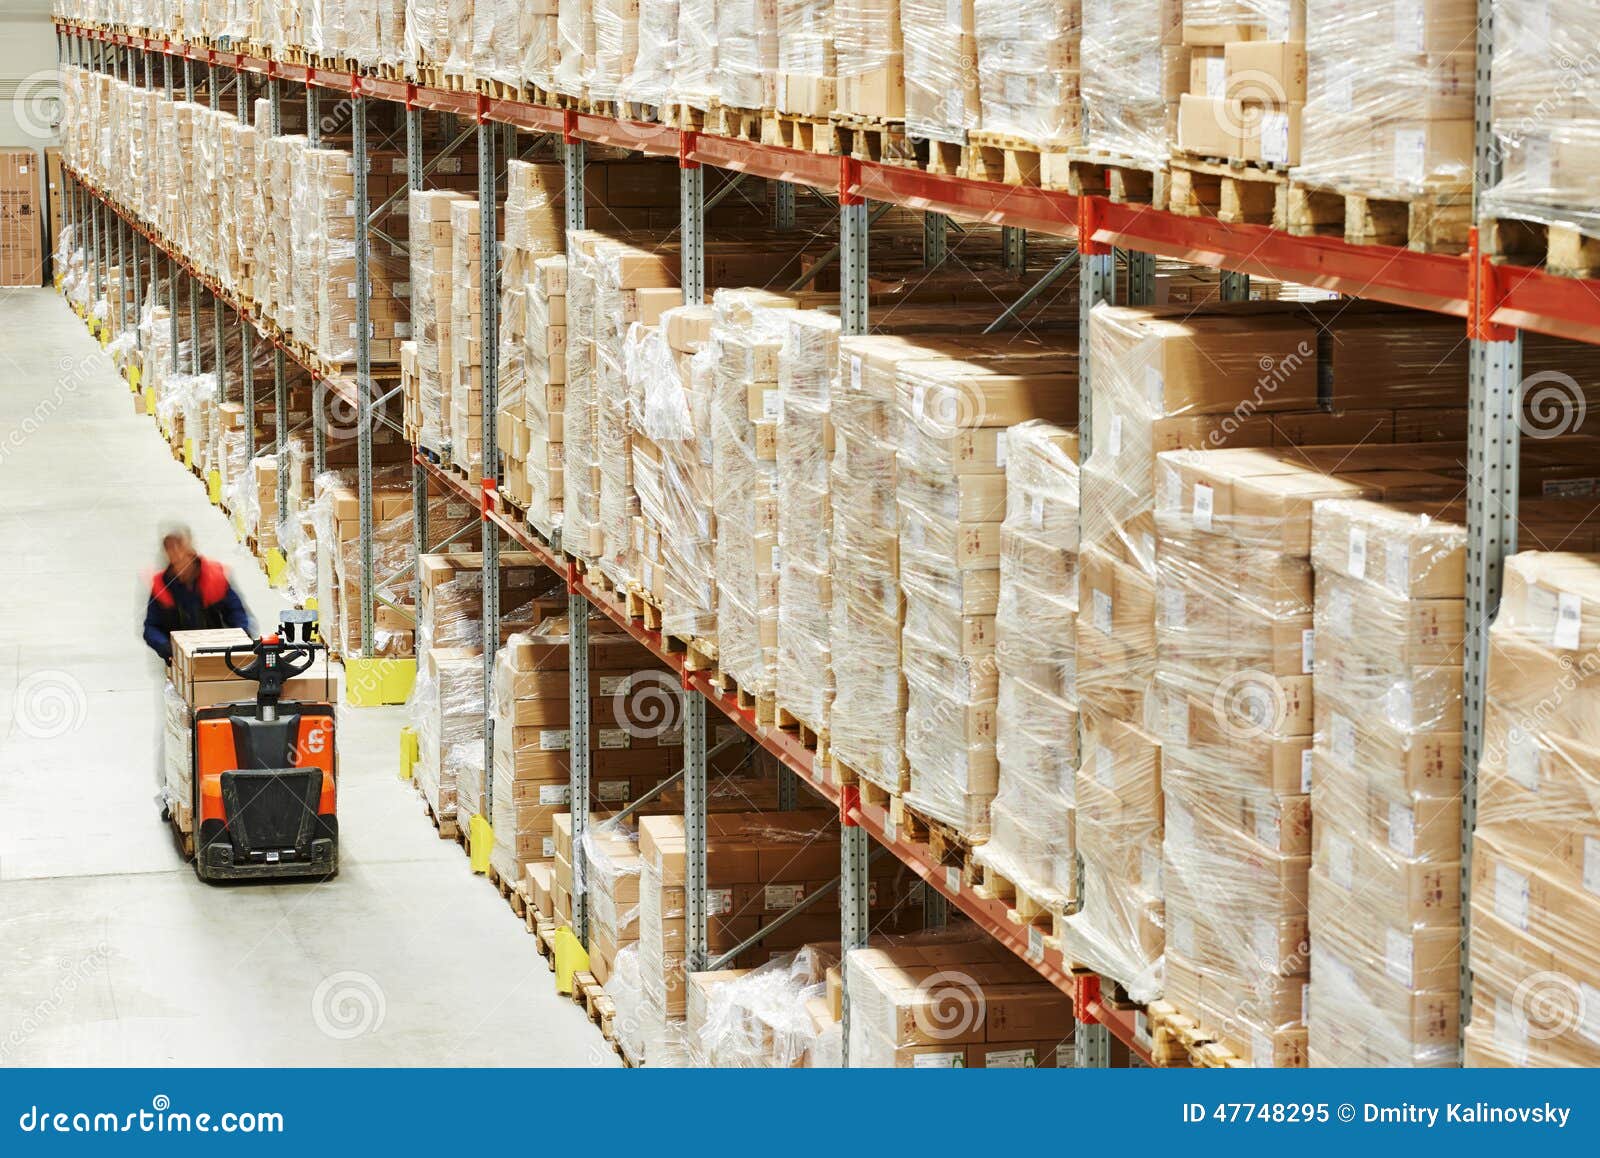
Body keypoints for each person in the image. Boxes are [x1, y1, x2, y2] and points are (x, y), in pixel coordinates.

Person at [142, 525, 254, 664]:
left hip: (217, 656)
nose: (176, 553)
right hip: (180, 661)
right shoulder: (161, 586)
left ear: (190, 548)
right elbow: (151, 627)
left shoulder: (214, 577)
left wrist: (242, 636)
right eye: (170, 548)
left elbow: (236, 612)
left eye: (179, 546)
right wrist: (165, 646)